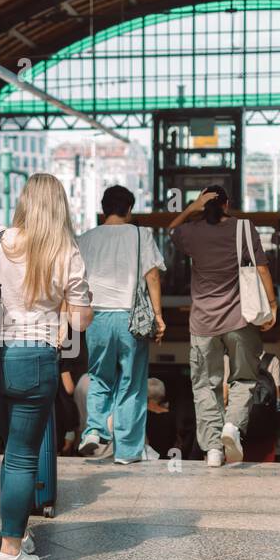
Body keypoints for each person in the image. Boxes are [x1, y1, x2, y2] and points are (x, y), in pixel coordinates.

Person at [0, 173, 92, 560]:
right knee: (21, 458)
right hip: (34, 359)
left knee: (9, 451)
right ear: (59, 206)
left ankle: (16, 533)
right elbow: (81, 320)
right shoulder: (64, 248)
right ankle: (10, 552)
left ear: (23, 201)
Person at [167, 185, 278, 468]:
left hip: (203, 323)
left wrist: (192, 206)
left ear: (204, 204)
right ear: (227, 204)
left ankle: (213, 450)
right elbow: (262, 268)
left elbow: (171, 229)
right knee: (244, 378)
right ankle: (232, 426)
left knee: (205, 385)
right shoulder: (244, 228)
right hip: (241, 321)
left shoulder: (192, 232)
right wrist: (273, 304)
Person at [75, 185, 166, 464]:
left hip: (97, 317)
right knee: (131, 382)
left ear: (103, 209)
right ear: (129, 209)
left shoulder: (85, 239)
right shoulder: (141, 235)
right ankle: (127, 450)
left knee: (100, 376)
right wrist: (159, 316)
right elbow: (152, 277)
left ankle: (94, 430)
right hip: (131, 318)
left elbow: (75, 280)